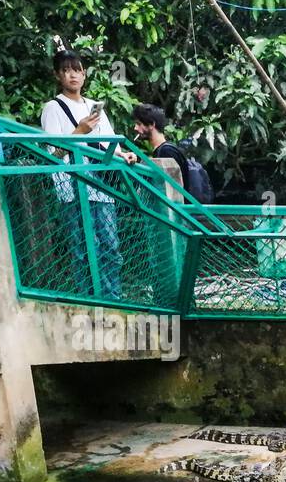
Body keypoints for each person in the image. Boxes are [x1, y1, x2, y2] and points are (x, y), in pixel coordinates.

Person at [40, 50, 139, 301]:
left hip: (101, 184)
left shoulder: (94, 107)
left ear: (84, 74)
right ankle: (89, 299)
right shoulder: (53, 108)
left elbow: (109, 144)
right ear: (57, 75)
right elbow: (54, 153)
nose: (72, 75)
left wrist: (123, 155)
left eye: (77, 69)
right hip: (72, 187)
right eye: (66, 70)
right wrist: (80, 131)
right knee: (83, 248)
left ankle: (112, 298)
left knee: (110, 246)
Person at [133, 103, 190, 186]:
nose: (135, 128)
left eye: (139, 124)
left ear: (152, 124)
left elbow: (171, 188)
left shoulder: (167, 152)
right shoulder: (162, 150)